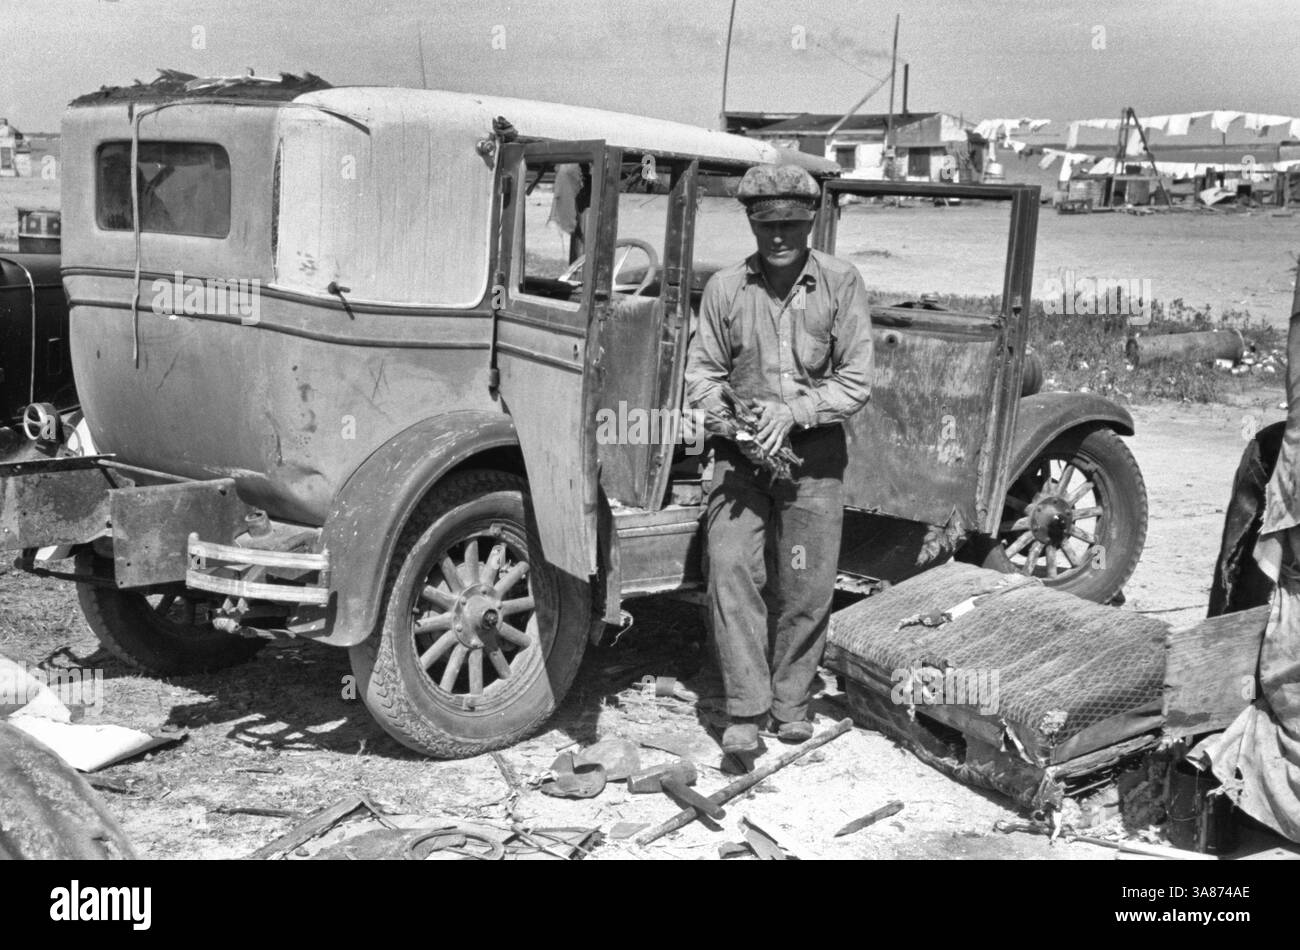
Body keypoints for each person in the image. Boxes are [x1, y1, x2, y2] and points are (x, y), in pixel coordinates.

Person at [685, 163, 873, 754]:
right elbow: (701, 379)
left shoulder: (842, 283)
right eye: (766, 225)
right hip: (740, 465)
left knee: (805, 583)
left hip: (813, 463)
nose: (779, 236)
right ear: (751, 223)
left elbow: (856, 381)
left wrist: (792, 413)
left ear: (811, 219)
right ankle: (747, 708)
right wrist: (738, 426)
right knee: (731, 568)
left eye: (791, 223)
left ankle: (792, 702)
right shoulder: (724, 289)